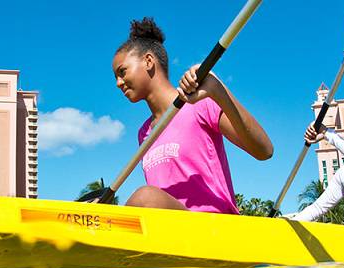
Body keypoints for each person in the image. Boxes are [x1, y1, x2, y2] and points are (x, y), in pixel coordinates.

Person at [111, 17, 273, 213]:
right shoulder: (144, 133)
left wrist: (218, 92)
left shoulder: (199, 104)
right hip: (172, 235)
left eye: (122, 72)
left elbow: (264, 150)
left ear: (148, 61)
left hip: (215, 230)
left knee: (145, 198)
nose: (118, 83)